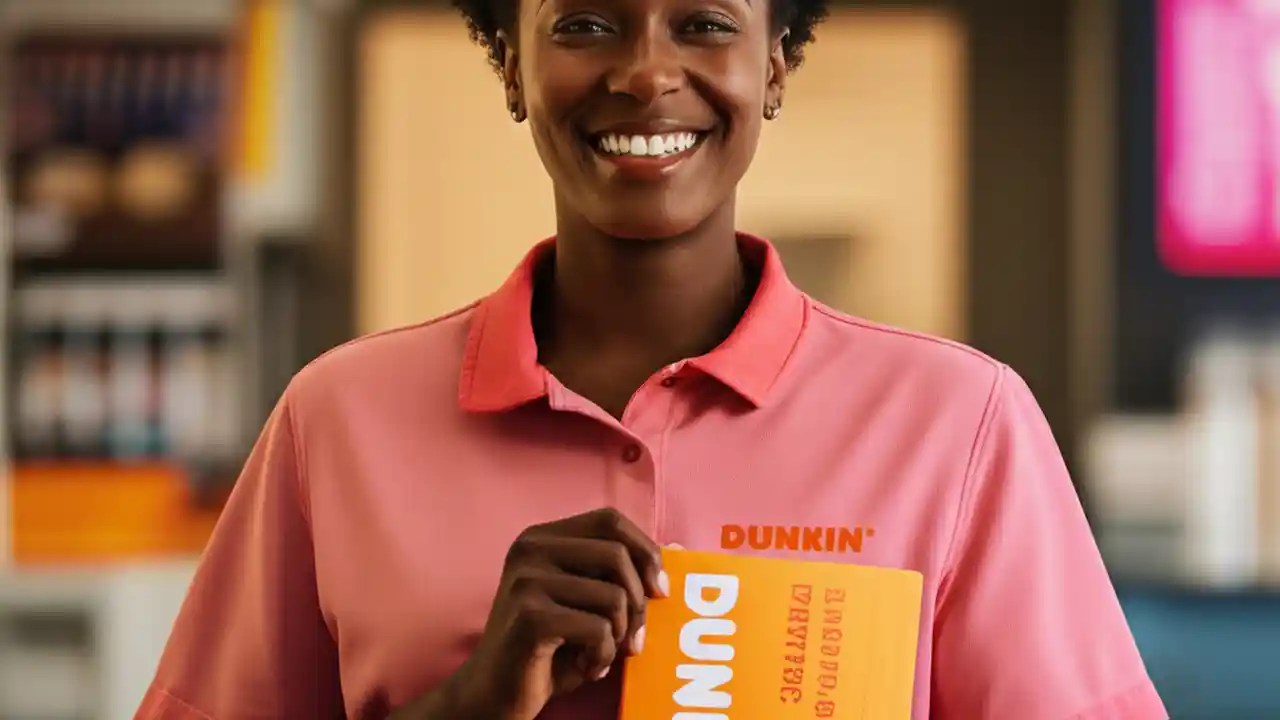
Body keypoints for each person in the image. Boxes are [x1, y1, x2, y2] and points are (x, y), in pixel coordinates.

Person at [136, 0, 1169, 716]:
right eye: (582, 23)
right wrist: (472, 701)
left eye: (705, 25)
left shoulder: (957, 424)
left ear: (771, 65)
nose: (642, 72)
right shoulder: (338, 420)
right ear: (509, 61)